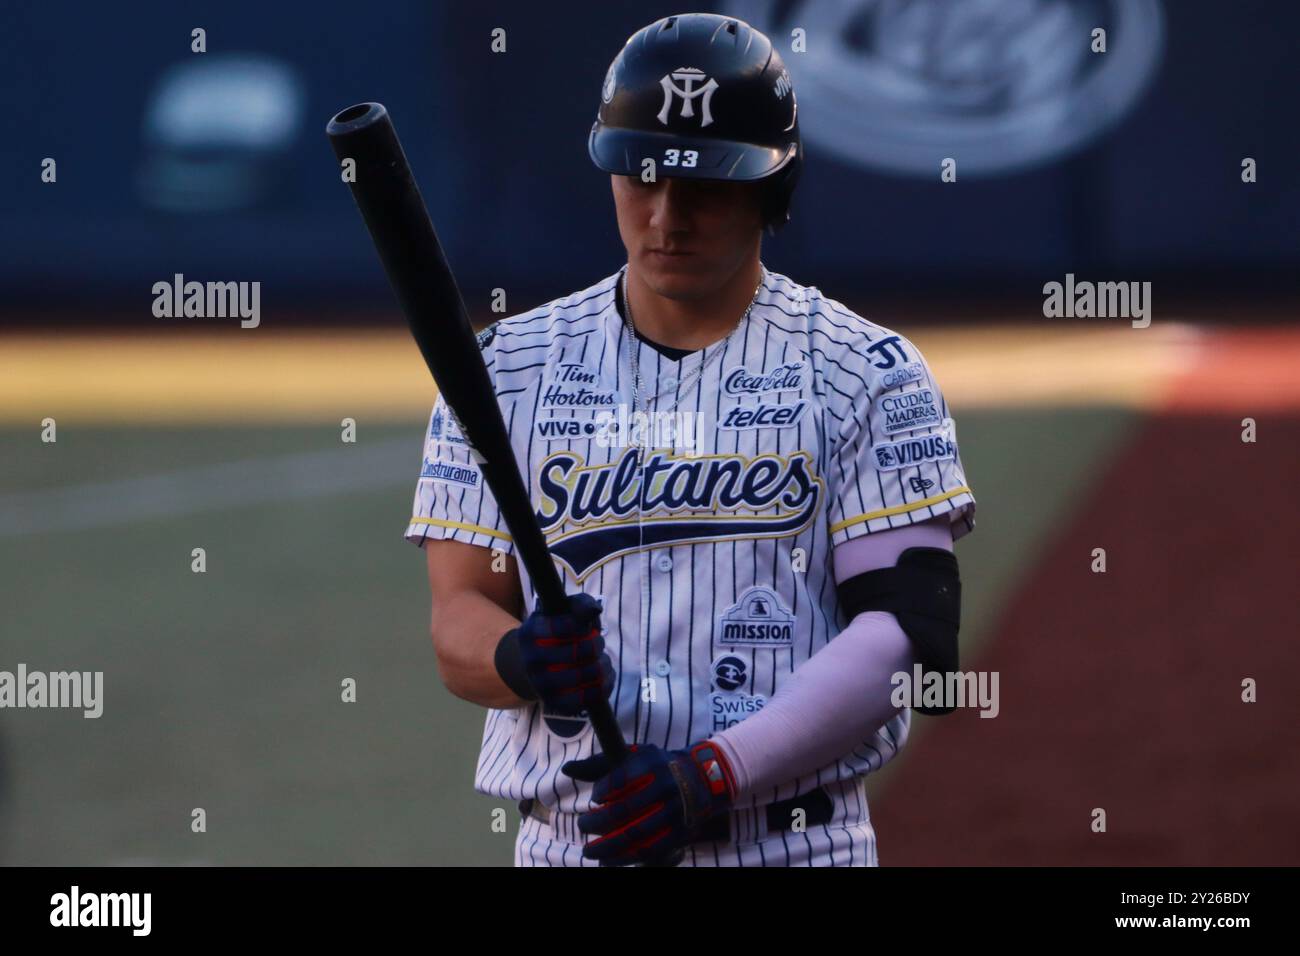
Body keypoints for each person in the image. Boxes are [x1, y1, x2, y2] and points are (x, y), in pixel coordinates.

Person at [407, 12, 975, 867]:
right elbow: (459, 615)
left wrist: (710, 775)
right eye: (642, 177)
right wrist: (520, 658)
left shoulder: (867, 370)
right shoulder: (504, 371)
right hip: (573, 847)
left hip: (792, 846)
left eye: (704, 184)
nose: (666, 216)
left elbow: (904, 630)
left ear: (770, 190)